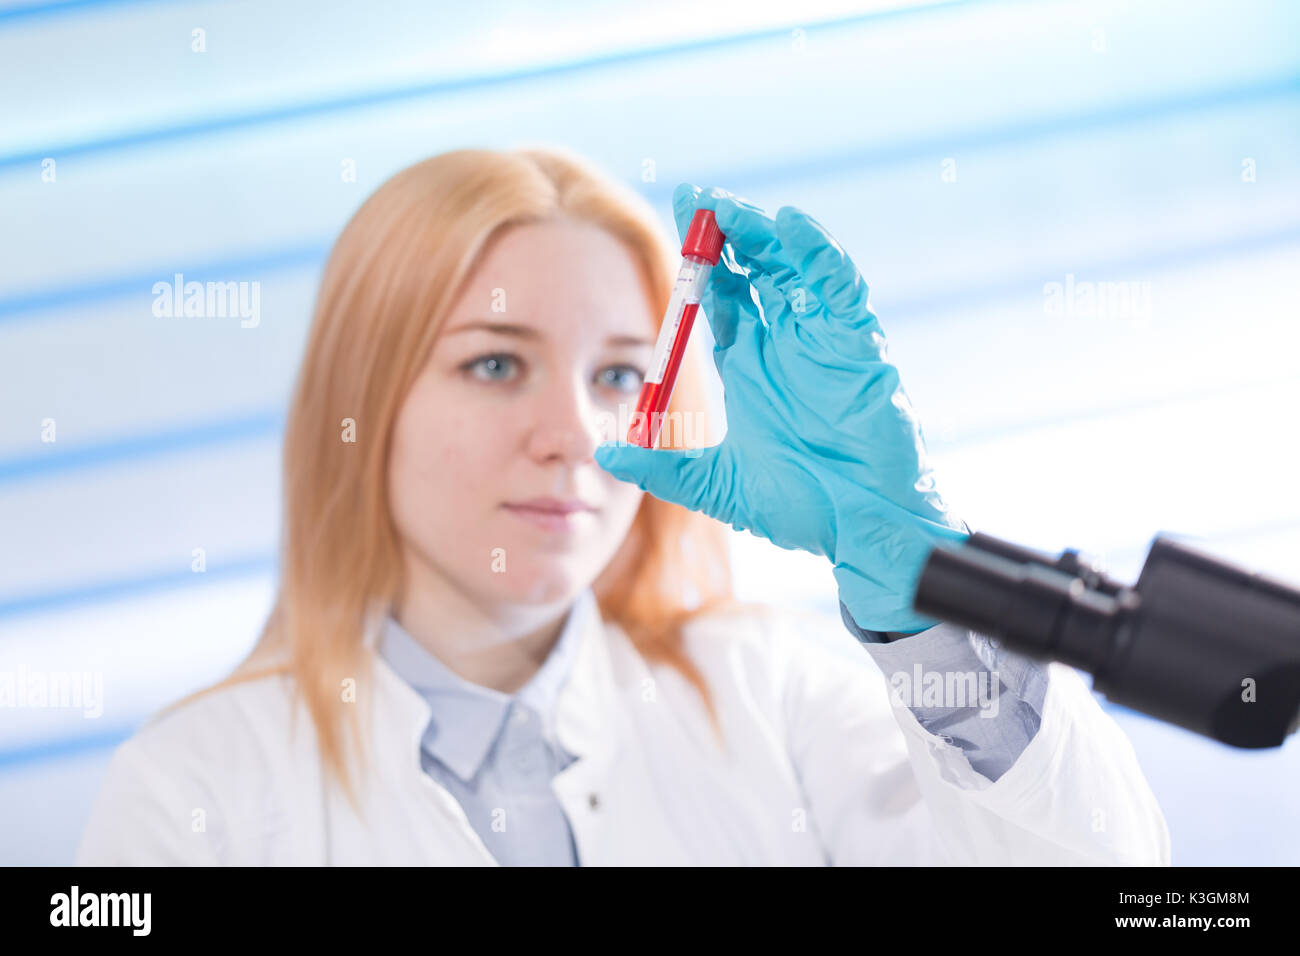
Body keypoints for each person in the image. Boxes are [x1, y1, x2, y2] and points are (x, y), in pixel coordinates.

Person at [75, 148, 1170, 865]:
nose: (573, 437)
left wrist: (918, 604)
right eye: (496, 365)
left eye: (613, 377)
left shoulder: (772, 700)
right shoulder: (192, 791)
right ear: (361, 402)